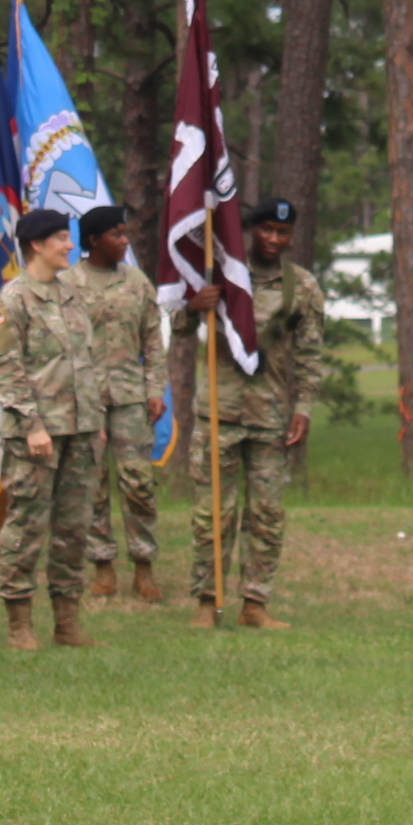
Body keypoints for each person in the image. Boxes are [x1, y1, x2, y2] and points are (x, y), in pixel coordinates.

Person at [179, 197, 327, 630]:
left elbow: (310, 353)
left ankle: (255, 603)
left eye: (283, 233)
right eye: (266, 230)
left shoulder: (301, 286)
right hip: (218, 413)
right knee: (213, 512)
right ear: (251, 230)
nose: (274, 239)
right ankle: (208, 600)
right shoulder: (222, 277)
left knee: (267, 513)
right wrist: (194, 306)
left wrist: (304, 408)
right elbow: (178, 327)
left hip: (270, 418)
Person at [0, 205, 105, 652]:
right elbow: (8, 371)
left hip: (81, 430)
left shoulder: (72, 296)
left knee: (75, 527)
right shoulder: (13, 300)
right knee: (27, 525)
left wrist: (95, 421)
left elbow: (86, 364)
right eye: (61, 238)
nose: (70, 246)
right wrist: (32, 425)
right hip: (35, 436)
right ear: (37, 244)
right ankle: (20, 624)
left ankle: (67, 623)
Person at [73, 204, 167, 605]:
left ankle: (143, 567)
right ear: (94, 240)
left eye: (125, 233)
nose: (125, 241)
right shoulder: (69, 285)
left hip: (130, 397)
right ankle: (102, 566)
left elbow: (153, 340)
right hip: (86, 399)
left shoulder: (137, 283)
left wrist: (155, 389)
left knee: (138, 483)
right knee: (91, 485)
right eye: (116, 235)